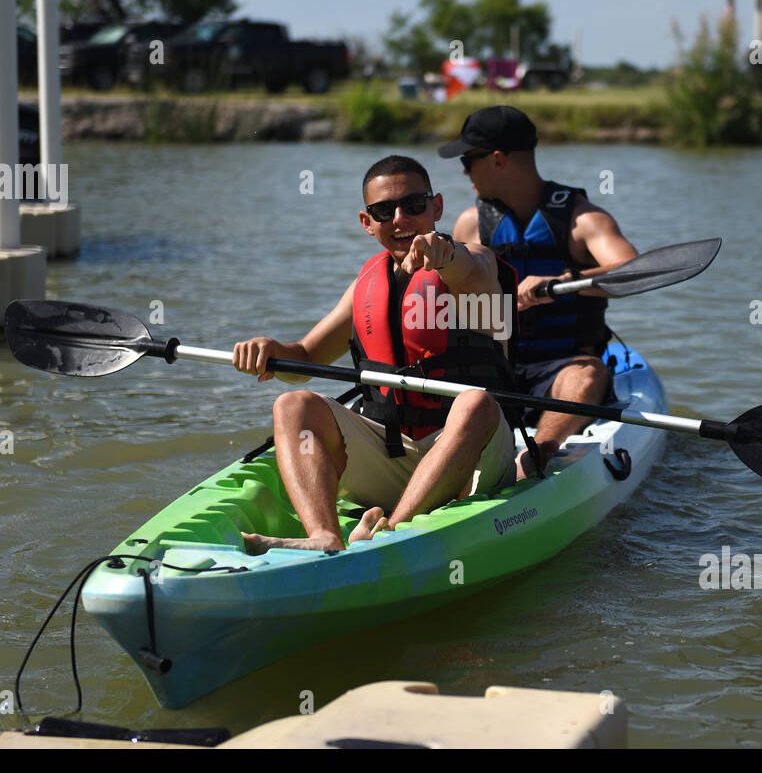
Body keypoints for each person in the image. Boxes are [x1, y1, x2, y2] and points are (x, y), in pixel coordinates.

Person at [232, 155, 517, 552]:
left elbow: (469, 270)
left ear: (436, 207)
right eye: (384, 211)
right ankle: (324, 536)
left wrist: (446, 255)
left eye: (414, 206)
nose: (400, 218)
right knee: (293, 404)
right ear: (367, 223)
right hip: (394, 453)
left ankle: (388, 534)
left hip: (475, 458)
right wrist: (269, 350)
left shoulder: (471, 260)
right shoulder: (367, 284)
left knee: (474, 403)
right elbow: (305, 359)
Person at [440, 106, 639, 480]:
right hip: (498, 366)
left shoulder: (583, 219)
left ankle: (537, 457)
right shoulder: (471, 224)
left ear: (497, 160)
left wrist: (558, 285)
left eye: (468, 160)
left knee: (589, 375)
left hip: (562, 367)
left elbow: (631, 273)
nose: (464, 171)